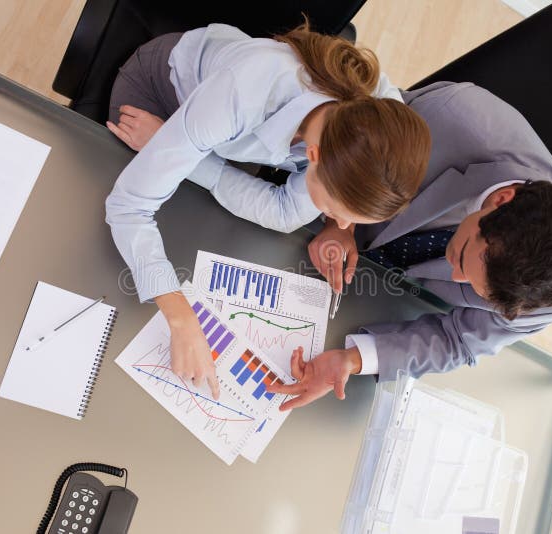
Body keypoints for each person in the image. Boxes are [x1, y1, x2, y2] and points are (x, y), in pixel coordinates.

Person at [104, 22, 432, 399]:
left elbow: (284, 213)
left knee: (198, 223)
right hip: (160, 95)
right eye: (341, 212)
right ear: (314, 158)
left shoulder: (385, 118)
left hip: (221, 140)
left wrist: (191, 161)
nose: (342, 226)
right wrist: (180, 319)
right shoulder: (244, 92)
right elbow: (128, 207)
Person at [267, 81, 552, 410]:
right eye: (464, 257)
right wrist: (339, 221)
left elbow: (459, 341)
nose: (454, 276)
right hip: (307, 214)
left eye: (480, 292)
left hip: (378, 301)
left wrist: (352, 360)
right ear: (502, 200)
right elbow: (346, 143)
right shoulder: (452, 118)